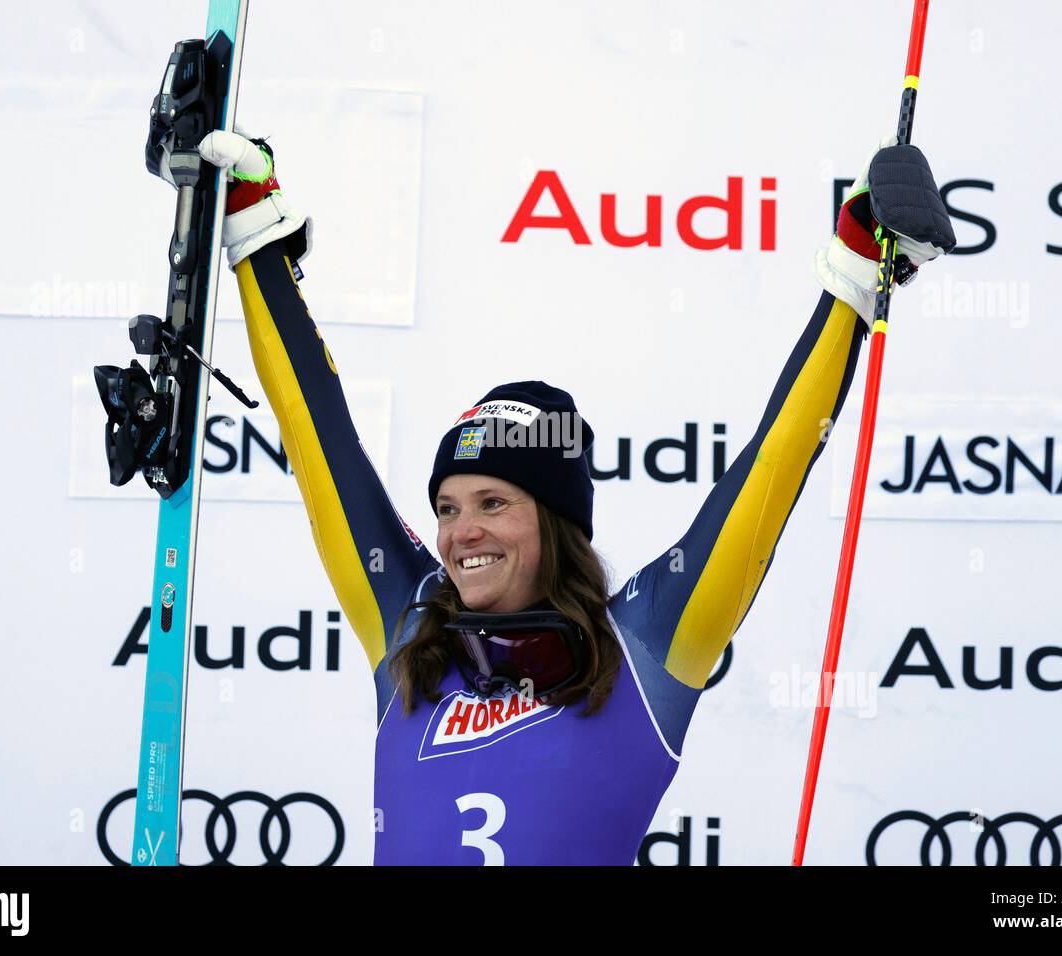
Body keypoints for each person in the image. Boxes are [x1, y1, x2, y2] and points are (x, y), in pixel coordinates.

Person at [151, 125, 954, 865]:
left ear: (559, 521)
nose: (461, 532)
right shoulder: (409, 635)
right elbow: (317, 438)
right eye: (448, 506)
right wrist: (255, 235)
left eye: (494, 502)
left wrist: (852, 272)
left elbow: (769, 470)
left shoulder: (646, 647)